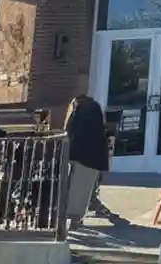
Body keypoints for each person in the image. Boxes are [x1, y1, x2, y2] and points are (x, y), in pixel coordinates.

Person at [63, 94, 109, 229]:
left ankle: (71, 218)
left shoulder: (77, 107)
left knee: (74, 188)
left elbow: (69, 128)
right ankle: (76, 218)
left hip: (78, 153)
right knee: (84, 188)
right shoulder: (95, 108)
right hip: (95, 155)